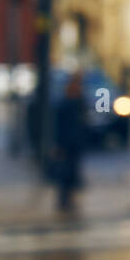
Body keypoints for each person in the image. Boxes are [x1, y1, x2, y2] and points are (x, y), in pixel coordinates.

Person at [51, 72, 87, 214]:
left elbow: (82, 123)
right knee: (65, 174)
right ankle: (63, 201)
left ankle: (69, 200)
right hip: (66, 144)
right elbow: (59, 126)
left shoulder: (79, 102)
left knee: (73, 173)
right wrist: (57, 144)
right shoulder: (65, 104)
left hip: (75, 144)